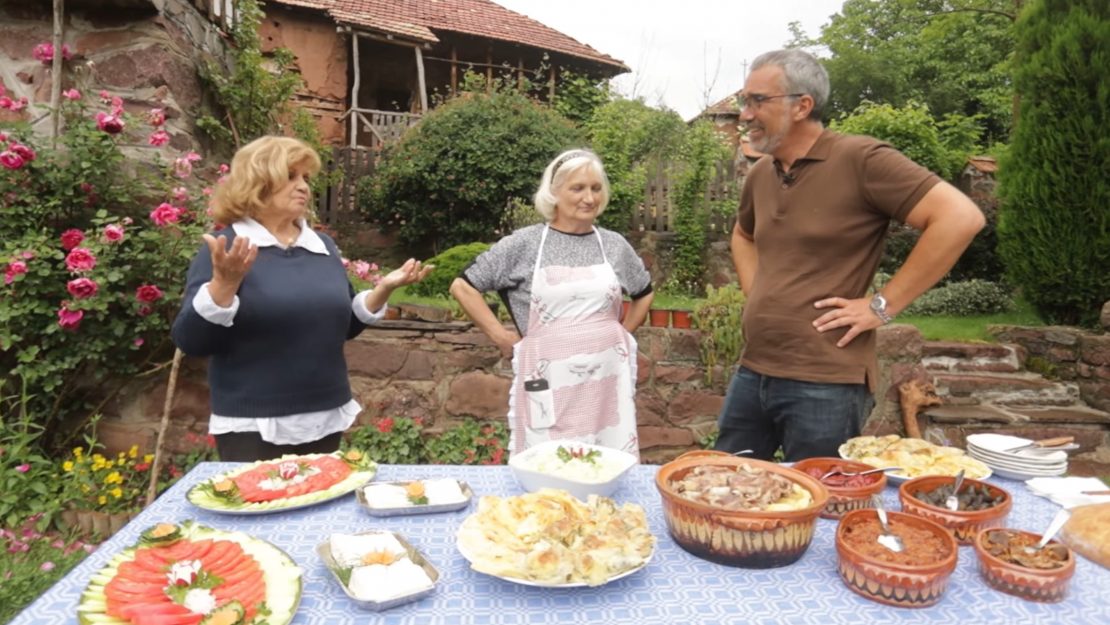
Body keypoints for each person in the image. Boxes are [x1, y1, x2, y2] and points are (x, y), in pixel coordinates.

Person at [714, 50, 985, 461]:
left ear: (802, 105)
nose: (745, 114)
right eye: (743, 102)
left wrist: (882, 306)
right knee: (724, 488)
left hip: (826, 381)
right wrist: (759, 294)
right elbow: (743, 235)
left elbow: (960, 217)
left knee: (820, 503)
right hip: (754, 370)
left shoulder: (860, 159)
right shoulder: (760, 175)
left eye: (756, 101)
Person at [171, 135, 430, 462]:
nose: (303, 186)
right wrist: (224, 284)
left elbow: (342, 325)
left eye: (306, 178)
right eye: (291, 176)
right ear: (258, 183)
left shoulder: (321, 246)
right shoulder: (227, 248)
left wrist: (383, 290)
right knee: (264, 511)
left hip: (325, 416)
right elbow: (191, 341)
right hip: (254, 426)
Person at [450, 149, 653, 457]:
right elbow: (463, 286)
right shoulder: (525, 243)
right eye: (578, 188)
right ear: (554, 192)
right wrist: (500, 336)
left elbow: (644, 292)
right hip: (547, 381)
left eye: (596, 188)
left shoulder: (614, 245)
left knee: (608, 461)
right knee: (547, 461)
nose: (589, 197)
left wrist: (622, 335)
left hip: (605, 384)